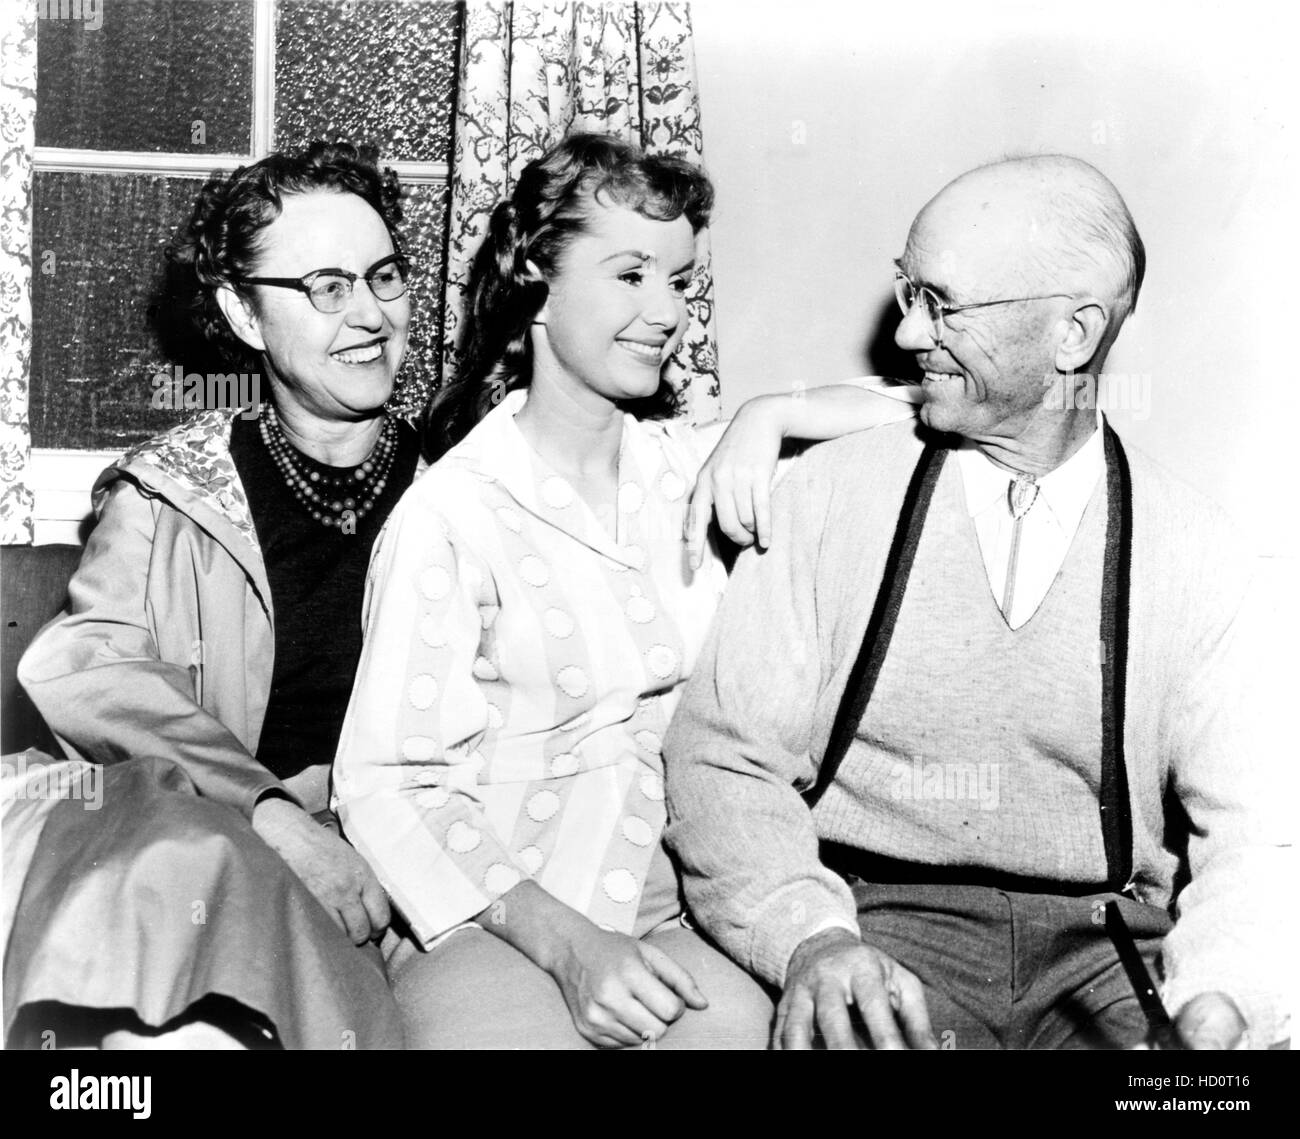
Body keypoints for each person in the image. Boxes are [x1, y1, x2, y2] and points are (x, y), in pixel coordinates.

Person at [663, 154, 1289, 1050]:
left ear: (1072, 336)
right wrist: (811, 937)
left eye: (941, 304)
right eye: (906, 293)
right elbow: (724, 764)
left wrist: (1226, 994)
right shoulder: (825, 498)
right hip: (878, 932)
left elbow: (1263, 833)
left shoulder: (1199, 552)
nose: (911, 336)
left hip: (1115, 950)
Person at [332, 133, 916, 1049]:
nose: (666, 312)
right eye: (630, 274)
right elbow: (392, 784)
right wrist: (571, 949)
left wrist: (771, 415)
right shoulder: (451, 511)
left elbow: (925, 412)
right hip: (499, 916)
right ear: (536, 277)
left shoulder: (691, 465)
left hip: (677, 913)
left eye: (679, 281)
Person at [7, 141, 423, 1048]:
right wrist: (266, 806)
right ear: (242, 311)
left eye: (383, 276)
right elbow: (87, 664)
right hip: (213, 835)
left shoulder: (464, 487)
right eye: (324, 286)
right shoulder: (169, 490)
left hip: (410, 858)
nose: (368, 315)